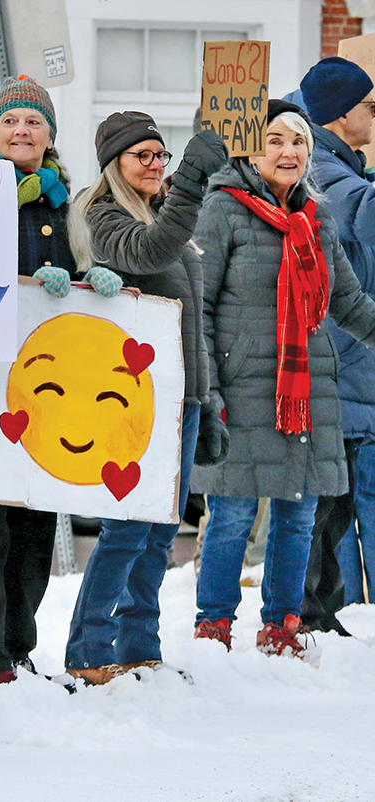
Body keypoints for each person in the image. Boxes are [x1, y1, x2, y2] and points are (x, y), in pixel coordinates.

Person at [0, 76, 107, 688]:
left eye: (33, 122)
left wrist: (95, 282)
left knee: (33, 525)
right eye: (10, 123)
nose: (21, 131)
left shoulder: (72, 207)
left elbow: (93, 276)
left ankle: (17, 648)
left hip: (48, 398)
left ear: (50, 135)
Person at [191, 99, 375, 658]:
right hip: (243, 387)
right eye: (275, 140)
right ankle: (214, 628)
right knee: (233, 514)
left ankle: (281, 628)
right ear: (253, 148)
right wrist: (208, 387)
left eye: (298, 141)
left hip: (307, 390)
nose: (289, 151)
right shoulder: (222, 209)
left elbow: (346, 301)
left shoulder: (316, 218)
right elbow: (198, 304)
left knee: (298, 514)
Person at [64, 111, 228, 685]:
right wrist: (192, 179)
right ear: (116, 163)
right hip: (129, 400)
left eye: (161, 155)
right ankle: (88, 649)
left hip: (180, 399)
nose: (156, 165)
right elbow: (151, 253)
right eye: (144, 157)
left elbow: (191, 324)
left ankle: (140, 645)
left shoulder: (166, 215)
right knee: (129, 527)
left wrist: (205, 405)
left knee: (161, 529)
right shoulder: (102, 215)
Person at [295, 57, 375, 634]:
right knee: (324, 501)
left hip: (349, 360)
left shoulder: (340, 165)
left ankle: (324, 610)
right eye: (369, 105)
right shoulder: (323, 171)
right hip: (337, 359)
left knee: (337, 497)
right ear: (340, 114)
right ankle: (310, 613)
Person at [337, 442, 375, 605]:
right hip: (369, 435)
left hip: (337, 439)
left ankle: (349, 598)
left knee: (340, 521)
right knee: (372, 515)